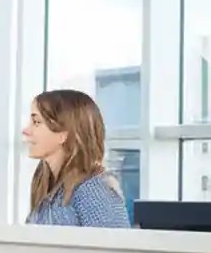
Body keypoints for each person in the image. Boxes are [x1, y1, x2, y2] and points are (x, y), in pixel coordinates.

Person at [22, 89, 130, 228]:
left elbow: (115, 247)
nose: (26, 131)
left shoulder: (93, 190)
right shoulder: (43, 182)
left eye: (36, 122)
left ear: (63, 134)